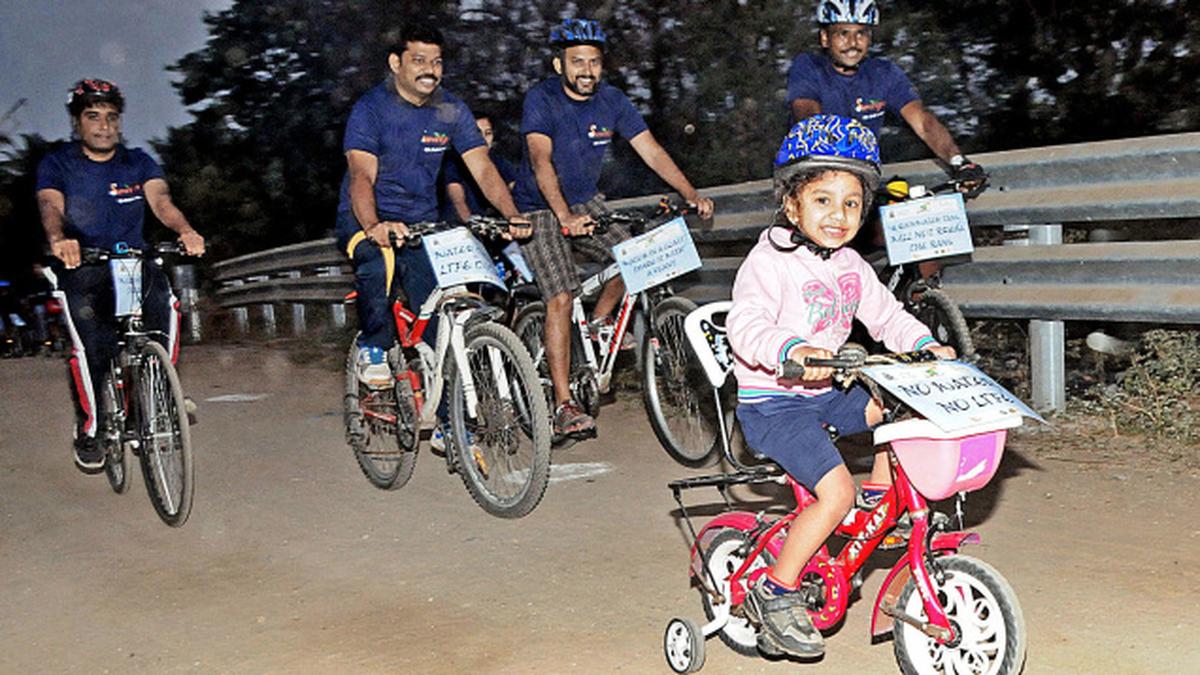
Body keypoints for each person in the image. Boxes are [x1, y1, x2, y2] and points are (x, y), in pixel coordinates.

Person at [726, 115, 954, 657]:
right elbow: (747, 324)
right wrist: (791, 351)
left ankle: (879, 503)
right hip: (775, 402)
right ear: (791, 205)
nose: (839, 215)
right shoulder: (768, 264)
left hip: (827, 391)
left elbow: (887, 316)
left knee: (902, 407)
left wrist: (924, 346)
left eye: (852, 203)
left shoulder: (851, 264)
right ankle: (775, 589)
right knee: (835, 492)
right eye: (823, 200)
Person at [512, 17, 715, 439]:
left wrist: (691, 192)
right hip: (538, 207)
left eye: (594, 62)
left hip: (586, 200)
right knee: (562, 296)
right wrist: (564, 216)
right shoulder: (542, 99)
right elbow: (540, 160)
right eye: (577, 62)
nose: (587, 71)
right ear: (558, 65)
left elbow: (651, 151)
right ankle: (564, 404)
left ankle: (602, 321)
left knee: (638, 256)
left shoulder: (613, 101)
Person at [337, 24, 529, 388]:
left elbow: (483, 168)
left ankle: (449, 422)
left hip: (422, 221)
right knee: (379, 262)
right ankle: (373, 348)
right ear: (396, 63)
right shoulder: (371, 109)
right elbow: (361, 175)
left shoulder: (451, 109)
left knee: (441, 315)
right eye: (419, 60)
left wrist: (511, 214)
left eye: (437, 62)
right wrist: (374, 225)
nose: (430, 70)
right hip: (366, 214)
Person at [36, 78, 206, 472]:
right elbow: (49, 205)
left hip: (131, 265)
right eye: (93, 117)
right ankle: (92, 428)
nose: (104, 126)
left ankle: (159, 392)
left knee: (166, 307)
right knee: (94, 348)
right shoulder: (58, 164)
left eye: (111, 117)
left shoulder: (138, 161)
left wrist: (185, 231)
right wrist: (60, 239)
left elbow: (161, 201)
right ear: (77, 123)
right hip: (85, 267)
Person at [787, 0, 987, 190]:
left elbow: (924, 123)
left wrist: (958, 162)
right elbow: (809, 118)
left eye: (861, 33)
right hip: (814, 176)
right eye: (843, 33)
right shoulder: (808, 66)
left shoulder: (884, 73)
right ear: (825, 38)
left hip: (861, 178)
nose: (853, 42)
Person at [441, 110, 519, 223]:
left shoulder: (500, 162)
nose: (483, 139)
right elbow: (457, 199)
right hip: (458, 228)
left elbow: (515, 189)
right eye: (477, 133)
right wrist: (471, 225)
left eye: (488, 133)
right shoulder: (452, 163)